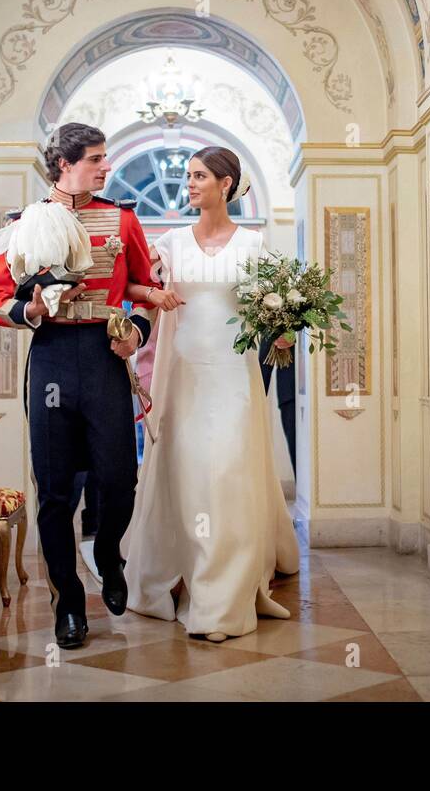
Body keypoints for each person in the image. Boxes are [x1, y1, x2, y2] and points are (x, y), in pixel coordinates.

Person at [0, 122, 156, 650]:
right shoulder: (23, 225)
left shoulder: (125, 220)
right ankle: (69, 605)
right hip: (53, 358)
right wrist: (31, 309)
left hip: (105, 357)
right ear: (65, 164)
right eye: (96, 159)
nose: (106, 167)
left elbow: (148, 292)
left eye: (105, 159)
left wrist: (137, 334)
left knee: (119, 478)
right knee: (55, 491)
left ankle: (108, 552)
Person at [121, 146, 301, 642]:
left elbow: (275, 307)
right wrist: (147, 304)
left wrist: (284, 329)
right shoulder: (171, 244)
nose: (190, 184)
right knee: (189, 475)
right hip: (183, 375)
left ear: (226, 184)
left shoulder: (254, 244)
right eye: (188, 176)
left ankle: (222, 596)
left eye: (199, 175)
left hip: (234, 375)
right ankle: (182, 573)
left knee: (226, 472)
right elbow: (143, 294)